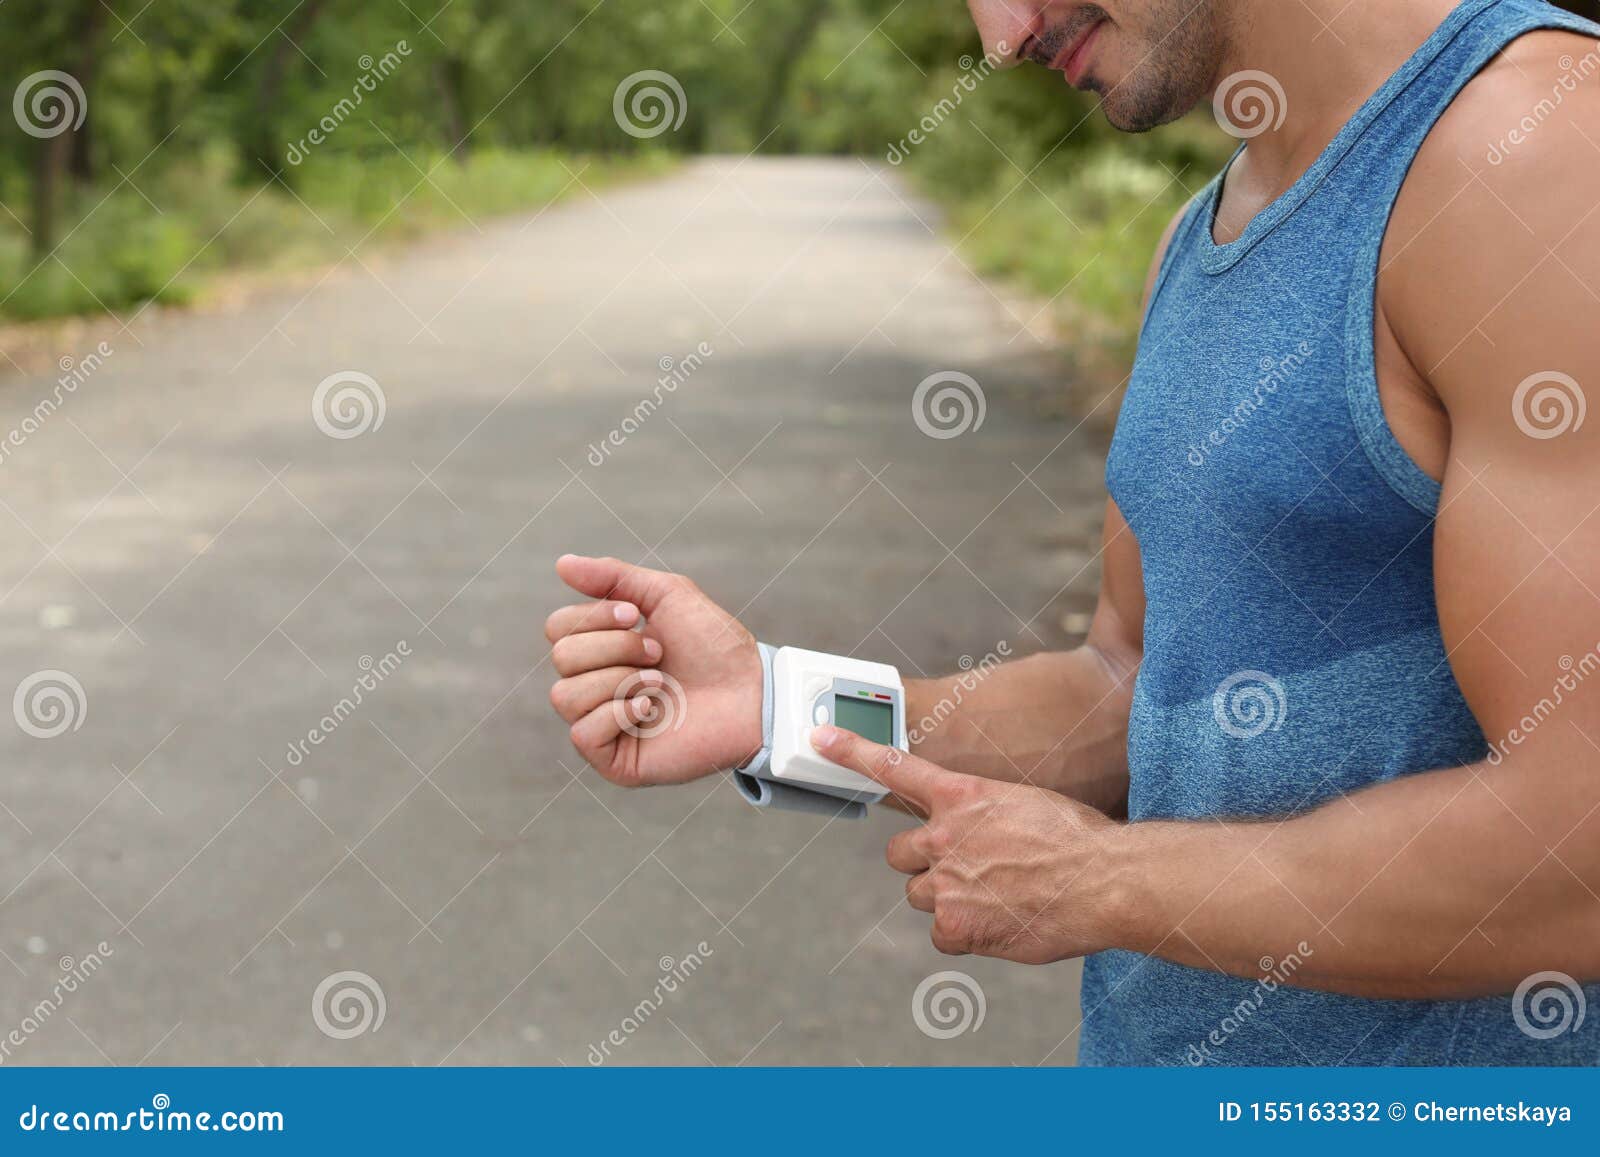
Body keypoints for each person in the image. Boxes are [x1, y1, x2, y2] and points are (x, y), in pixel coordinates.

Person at [545, 0, 1600, 1065]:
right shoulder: (1200, 235)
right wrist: (774, 705)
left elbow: (1582, 840)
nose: (1002, 34)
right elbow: (1127, 681)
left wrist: (1101, 882)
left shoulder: (1538, 153)